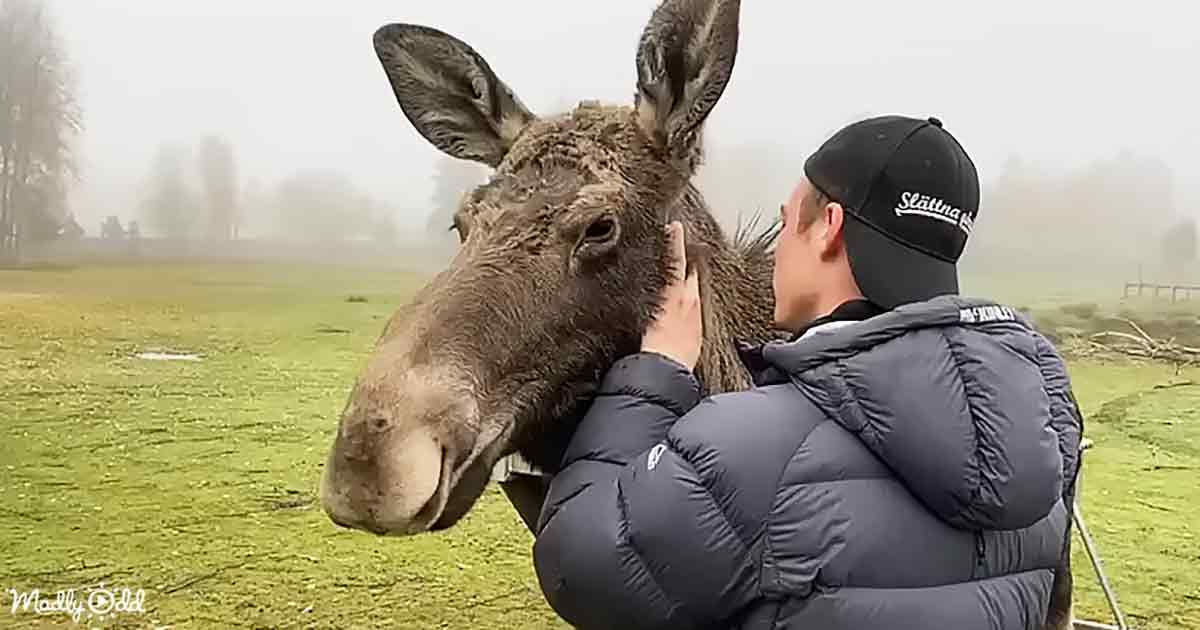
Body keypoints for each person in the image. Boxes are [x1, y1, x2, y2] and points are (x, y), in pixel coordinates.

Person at [530, 115, 1084, 630]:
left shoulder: (758, 441)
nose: (776, 253)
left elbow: (586, 568)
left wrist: (654, 371)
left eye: (787, 223)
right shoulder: (1042, 418)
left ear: (829, 229)